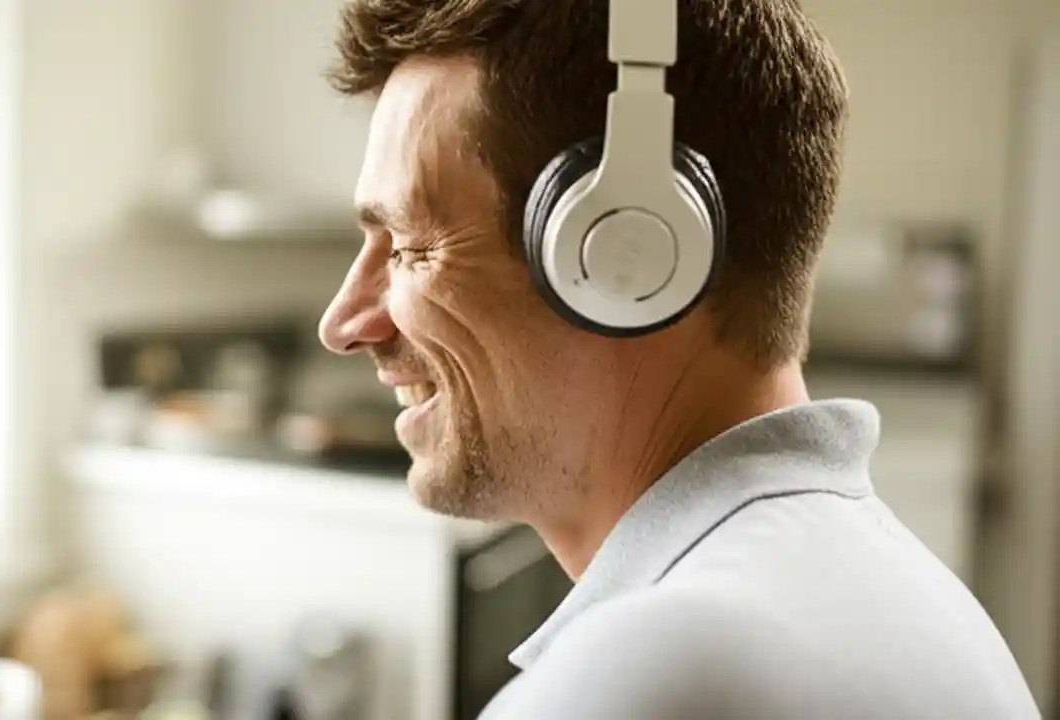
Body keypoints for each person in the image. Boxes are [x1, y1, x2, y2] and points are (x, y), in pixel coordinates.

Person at [316, 0, 1039, 717]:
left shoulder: (660, 671)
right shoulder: (911, 602)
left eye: (410, 246)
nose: (343, 323)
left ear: (622, 252)